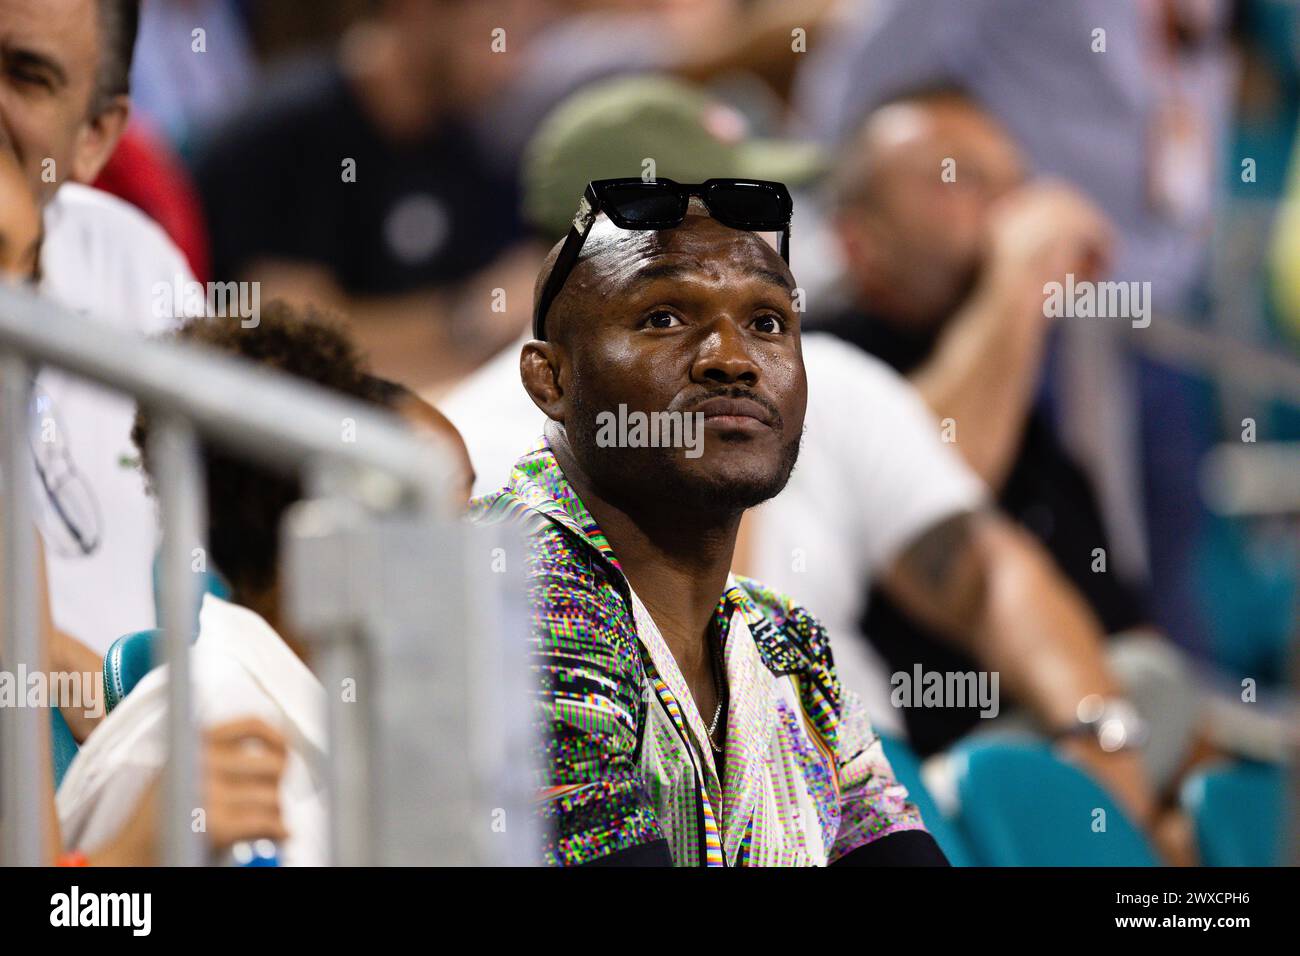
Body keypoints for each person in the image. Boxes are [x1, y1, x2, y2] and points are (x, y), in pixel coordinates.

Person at [442, 75, 1163, 834]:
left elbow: (983, 575)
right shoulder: (474, 453)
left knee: (1146, 692)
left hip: (873, 776)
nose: (756, 248)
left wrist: (1101, 739)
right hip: (653, 784)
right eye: (722, 219)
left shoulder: (825, 385)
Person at [472, 183, 947, 866]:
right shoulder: (508, 597)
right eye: (664, 318)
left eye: (768, 323)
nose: (733, 359)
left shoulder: (787, 647)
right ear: (552, 380)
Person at [56, 302, 470, 864]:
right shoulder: (173, 737)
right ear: (327, 527)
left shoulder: (398, 713)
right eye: (426, 516)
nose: (461, 550)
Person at [0, 0, 200, 743]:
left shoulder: (134, 260)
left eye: (25, 75)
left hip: (150, 757)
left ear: (93, 137)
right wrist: (44, 651)